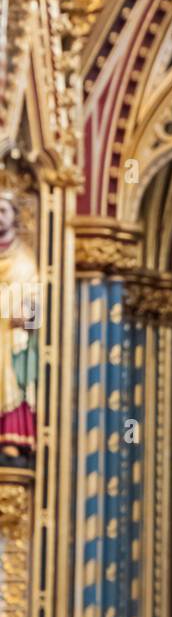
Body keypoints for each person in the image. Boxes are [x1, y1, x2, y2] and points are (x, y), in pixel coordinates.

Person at [0, 194, 38, 458]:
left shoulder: (25, 260)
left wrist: (26, 315)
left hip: (11, 337)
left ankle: (11, 439)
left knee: (11, 380)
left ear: (14, 215)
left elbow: (37, 299)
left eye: (3, 210)